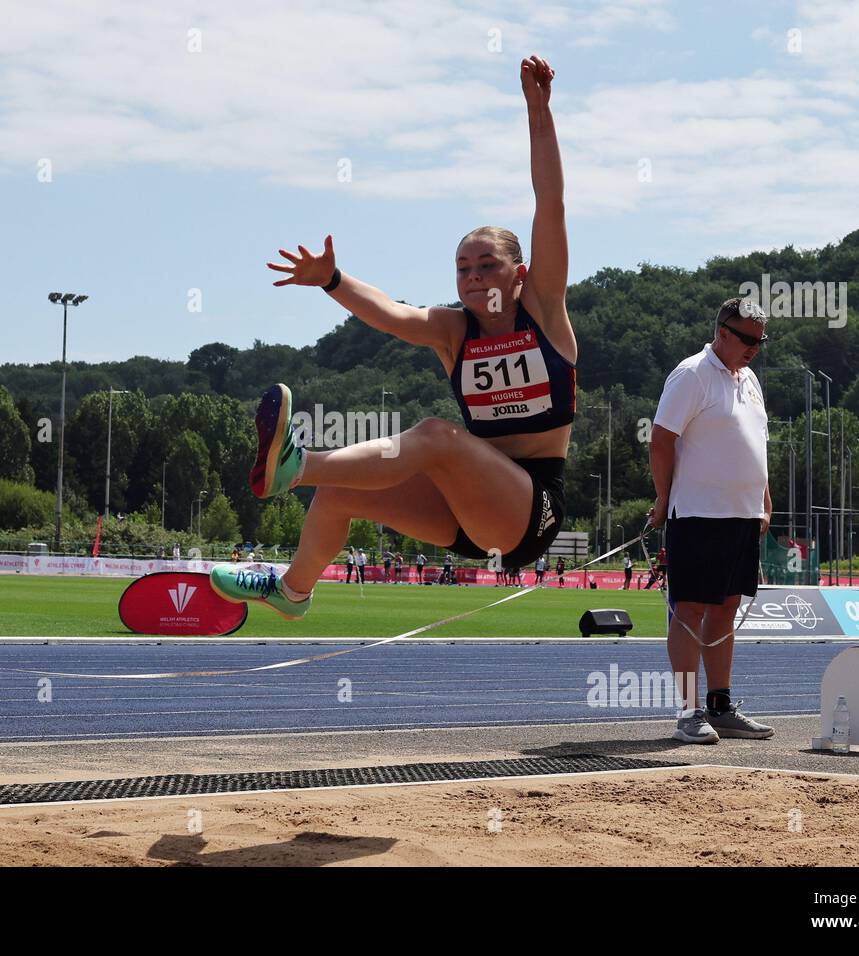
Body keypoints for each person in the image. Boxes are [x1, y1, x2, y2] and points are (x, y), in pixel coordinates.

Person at [209, 57, 575, 619]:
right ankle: (293, 592)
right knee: (340, 496)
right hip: (465, 509)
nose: (472, 276)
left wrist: (538, 112)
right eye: (462, 268)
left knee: (438, 435)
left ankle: (297, 464)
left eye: (485, 265)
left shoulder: (544, 310)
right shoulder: (454, 331)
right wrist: (332, 279)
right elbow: (387, 313)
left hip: (529, 509)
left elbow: (549, 204)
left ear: (519, 274)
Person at [650, 296, 775, 745]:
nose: (754, 348)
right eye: (747, 339)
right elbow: (661, 440)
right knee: (690, 612)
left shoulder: (751, 379)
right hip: (698, 512)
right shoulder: (692, 374)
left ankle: (720, 706)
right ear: (722, 331)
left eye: (760, 341)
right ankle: (688, 711)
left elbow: (756, 444)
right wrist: (664, 498)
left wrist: (764, 499)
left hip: (742, 515)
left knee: (726, 609)